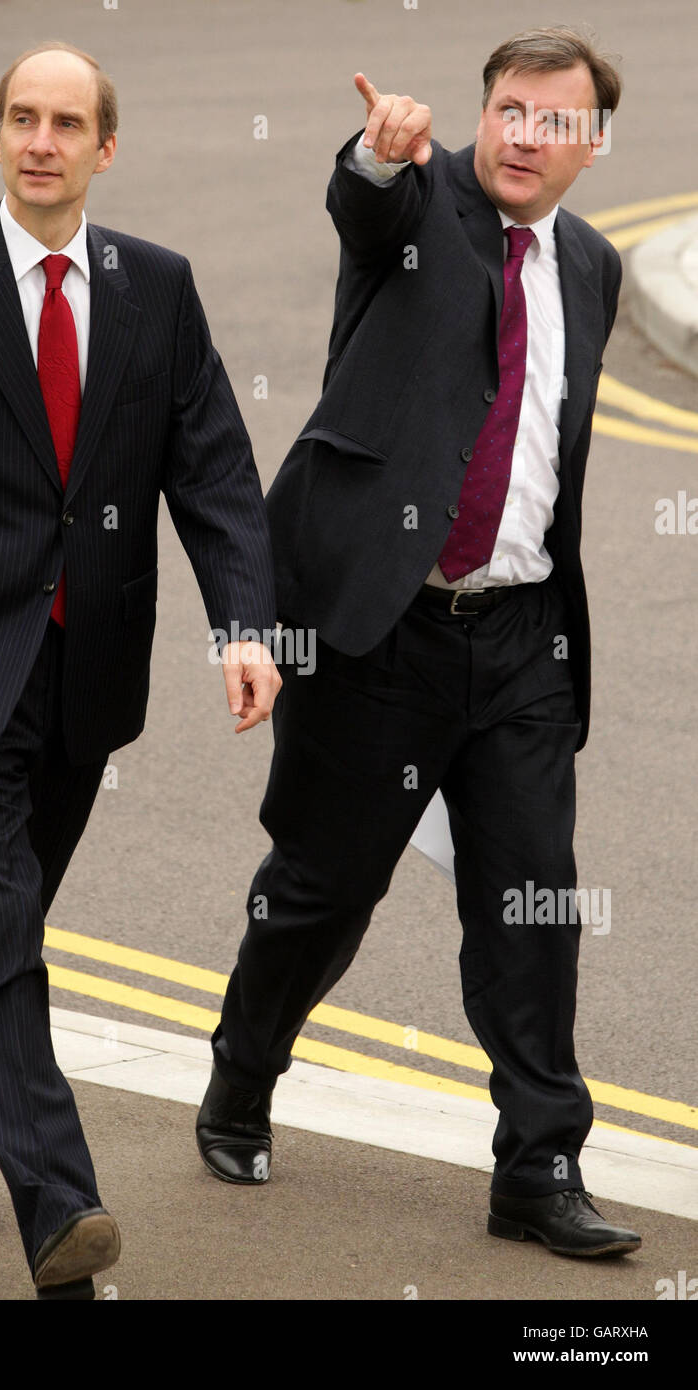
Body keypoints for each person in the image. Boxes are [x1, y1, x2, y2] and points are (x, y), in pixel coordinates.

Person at [0, 40, 279, 1298]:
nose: (40, 139)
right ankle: (62, 1212)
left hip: (86, 676)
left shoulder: (157, 287)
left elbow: (216, 470)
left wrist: (244, 626)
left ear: (104, 148)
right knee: (1, 936)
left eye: (66, 122)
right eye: (20, 118)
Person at [197, 25, 642, 1259]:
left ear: (590, 145)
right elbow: (362, 202)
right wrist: (375, 155)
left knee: (531, 903)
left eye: (555, 121)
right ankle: (243, 1068)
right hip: (377, 625)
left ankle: (539, 1163)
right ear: (481, 113)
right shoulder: (418, 202)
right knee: (325, 888)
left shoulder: (594, 268)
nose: (523, 135)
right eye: (508, 108)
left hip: (519, 638)